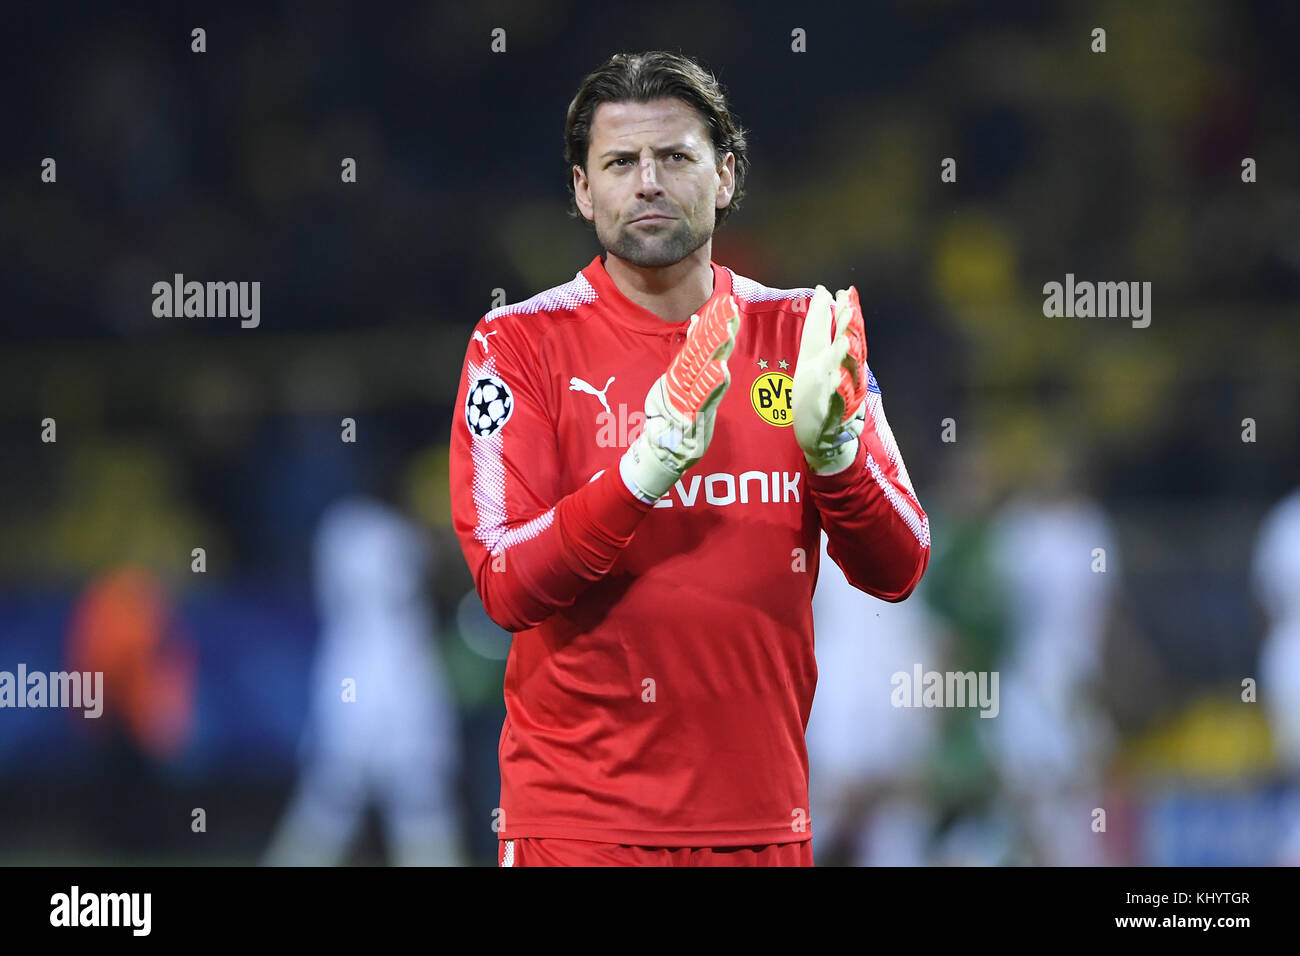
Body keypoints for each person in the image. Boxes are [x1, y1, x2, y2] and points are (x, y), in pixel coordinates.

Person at [449, 51, 930, 867]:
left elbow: (902, 566)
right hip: (580, 829)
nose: (647, 182)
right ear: (581, 189)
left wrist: (836, 456)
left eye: (675, 156)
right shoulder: (517, 344)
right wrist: (638, 478)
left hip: (763, 827)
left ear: (727, 175)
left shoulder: (802, 334)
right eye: (620, 162)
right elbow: (503, 583)